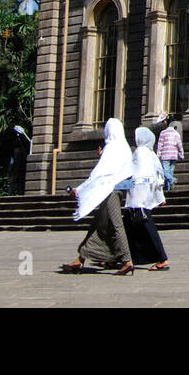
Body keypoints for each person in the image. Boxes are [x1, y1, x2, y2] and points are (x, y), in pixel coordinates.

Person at [61, 118, 136, 276]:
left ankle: (127, 261)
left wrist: (80, 190)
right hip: (119, 189)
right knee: (98, 224)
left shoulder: (112, 148)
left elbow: (98, 175)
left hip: (110, 191)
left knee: (116, 225)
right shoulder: (124, 147)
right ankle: (80, 260)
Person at [122, 127, 170, 271]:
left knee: (147, 228)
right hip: (144, 198)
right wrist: (160, 196)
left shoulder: (140, 152)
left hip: (138, 199)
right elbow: (157, 176)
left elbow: (135, 175)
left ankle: (162, 259)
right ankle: (122, 258)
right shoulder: (151, 154)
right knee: (128, 228)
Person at [156, 120, 183, 191]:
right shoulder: (176, 133)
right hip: (174, 155)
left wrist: (158, 155)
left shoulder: (163, 133)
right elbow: (179, 145)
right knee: (170, 171)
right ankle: (167, 188)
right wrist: (181, 154)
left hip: (165, 155)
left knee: (164, 171)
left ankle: (172, 180)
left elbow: (160, 145)